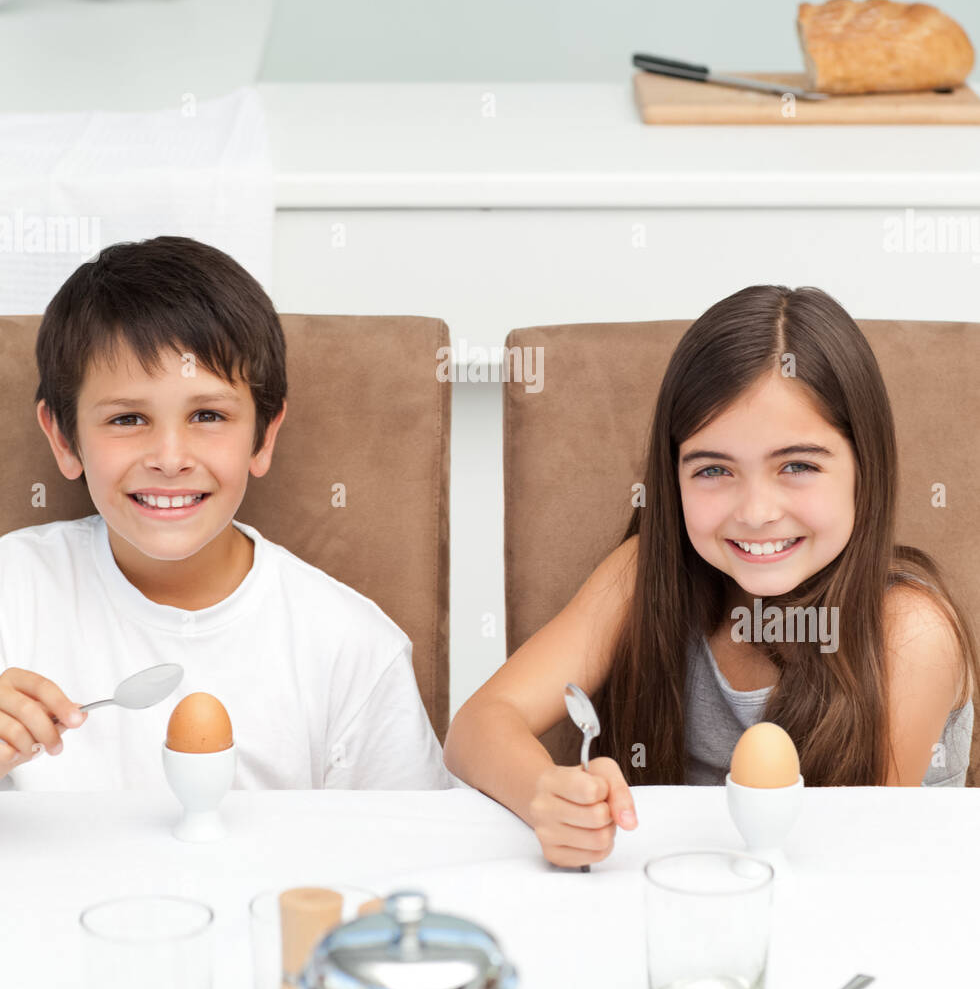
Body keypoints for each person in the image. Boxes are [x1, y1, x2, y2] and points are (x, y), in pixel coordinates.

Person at [444, 285, 978, 866]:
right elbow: (477, 726)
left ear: (864, 469)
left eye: (797, 465)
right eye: (715, 469)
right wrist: (544, 795)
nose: (755, 511)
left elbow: (853, 864)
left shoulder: (910, 632)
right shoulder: (645, 574)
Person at [0, 235, 454, 792]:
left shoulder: (350, 648)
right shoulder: (12, 593)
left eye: (208, 415)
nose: (170, 459)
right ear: (64, 439)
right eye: (126, 420)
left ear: (264, 437)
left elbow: (409, 848)